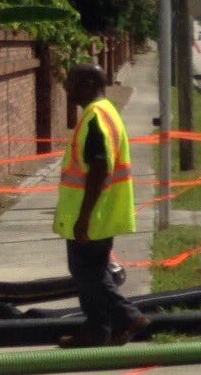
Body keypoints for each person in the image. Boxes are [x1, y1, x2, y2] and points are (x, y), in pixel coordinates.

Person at [52, 64, 150, 346]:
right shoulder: (105, 112)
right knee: (92, 272)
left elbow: (99, 168)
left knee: (88, 273)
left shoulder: (95, 117)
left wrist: (84, 217)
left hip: (91, 214)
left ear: (89, 82)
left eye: (72, 81)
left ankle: (129, 317)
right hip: (101, 212)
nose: (66, 87)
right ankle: (97, 330)